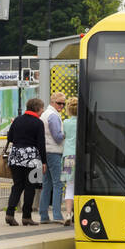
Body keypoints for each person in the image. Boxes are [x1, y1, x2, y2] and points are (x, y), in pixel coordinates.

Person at [4, 97, 47, 226]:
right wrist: (44, 162)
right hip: (33, 159)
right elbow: (41, 144)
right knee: (31, 187)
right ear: (38, 109)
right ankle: (26, 217)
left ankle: (10, 213)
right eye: (42, 108)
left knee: (17, 186)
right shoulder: (38, 123)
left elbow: (10, 137)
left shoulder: (17, 120)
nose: (42, 110)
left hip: (16, 157)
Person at [37, 91, 67, 223]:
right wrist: (66, 133)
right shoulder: (54, 116)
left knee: (47, 184)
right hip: (54, 152)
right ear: (53, 102)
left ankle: (43, 214)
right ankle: (57, 214)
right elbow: (57, 137)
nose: (61, 106)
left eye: (63, 104)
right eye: (59, 103)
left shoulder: (45, 114)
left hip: (46, 151)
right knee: (58, 183)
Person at [61, 96, 78, 224]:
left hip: (68, 156)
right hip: (81, 156)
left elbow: (63, 136)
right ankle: (77, 213)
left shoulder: (66, 123)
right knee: (80, 186)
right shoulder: (84, 122)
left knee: (70, 186)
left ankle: (68, 214)